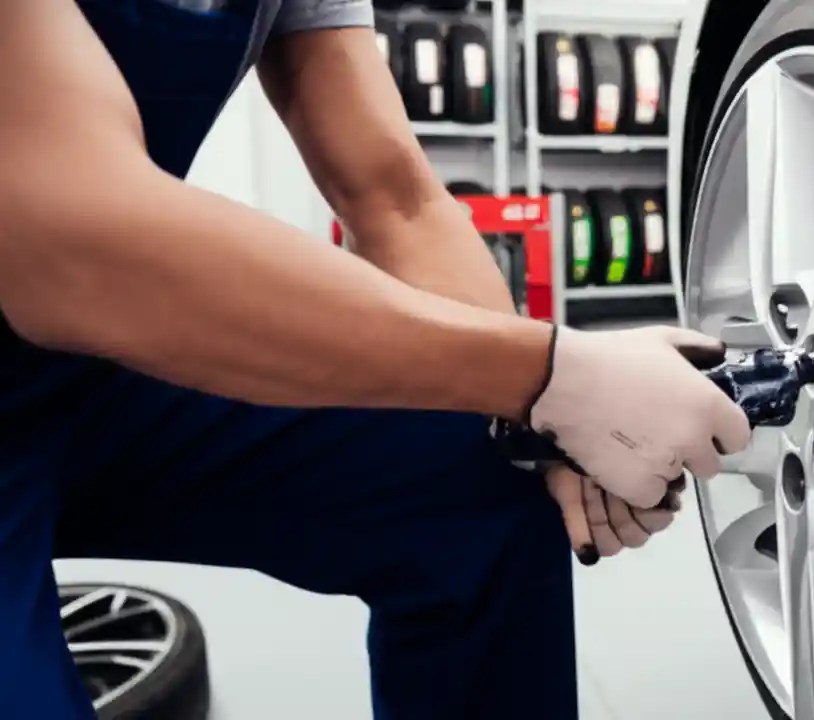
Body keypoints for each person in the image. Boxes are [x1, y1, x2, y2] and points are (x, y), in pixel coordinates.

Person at [0, 1, 751, 717]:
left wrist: (532, 423)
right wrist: (550, 374)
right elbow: (65, 243)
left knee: (483, 477)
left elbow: (396, 199)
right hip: (67, 290)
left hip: (85, 370)